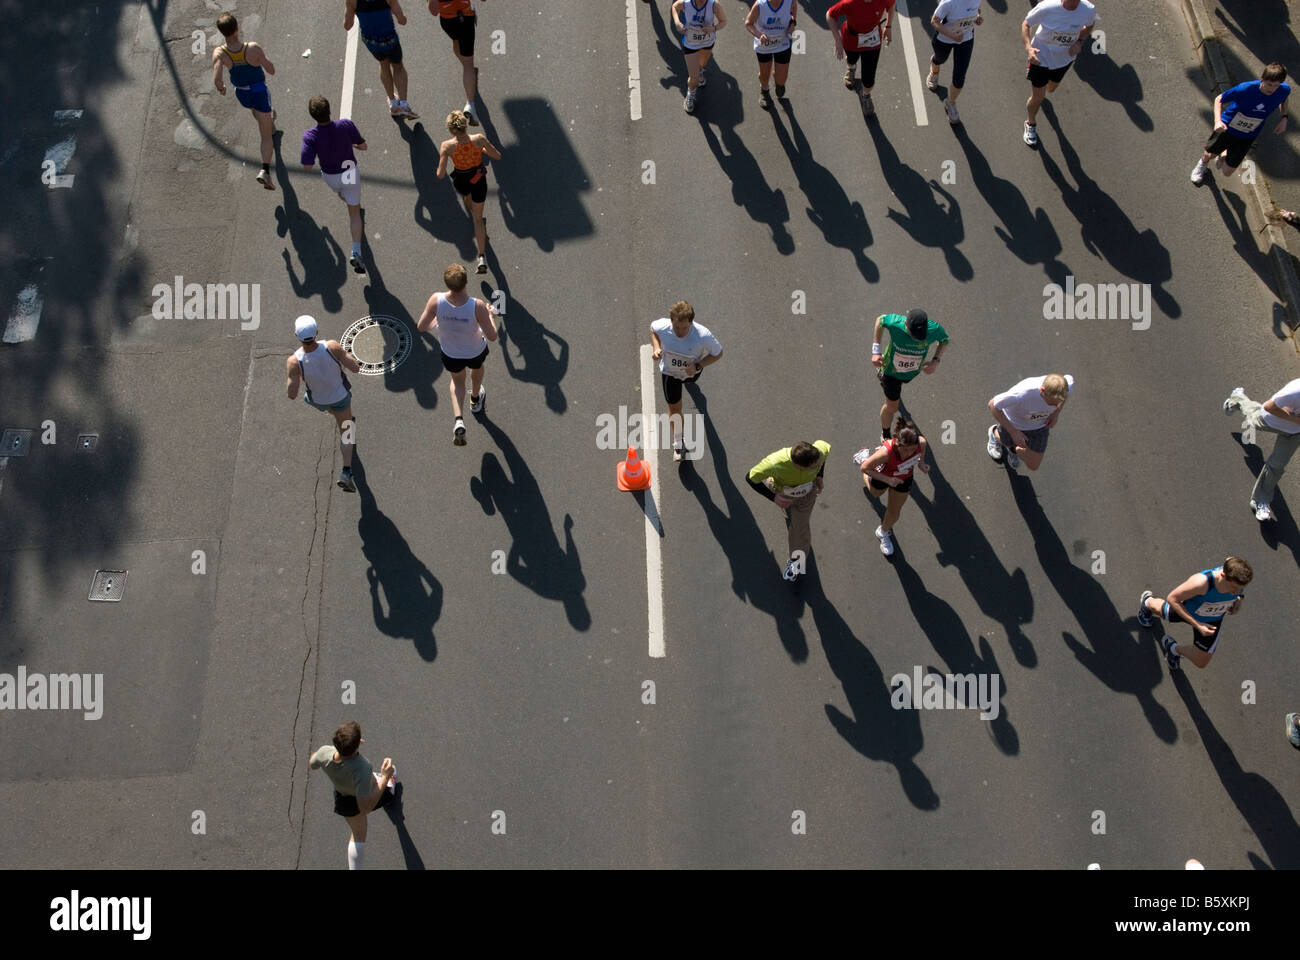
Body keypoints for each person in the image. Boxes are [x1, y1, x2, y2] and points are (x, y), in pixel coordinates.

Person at [416, 263, 499, 445]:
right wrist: (492, 316)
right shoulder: (477, 306)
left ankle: (459, 420)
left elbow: (421, 326)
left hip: (450, 353)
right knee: (477, 371)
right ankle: (475, 399)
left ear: (447, 284)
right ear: (466, 282)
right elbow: (492, 336)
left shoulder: (436, 300)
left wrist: (437, 321)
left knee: (457, 381)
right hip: (475, 350)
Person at [286, 315, 363, 492]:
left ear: (296, 334)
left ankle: (336, 414)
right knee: (347, 430)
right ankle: (347, 471)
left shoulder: (293, 361)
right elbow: (355, 367)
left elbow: (291, 394)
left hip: (318, 400)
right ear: (317, 332)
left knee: (328, 408)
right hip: (340, 397)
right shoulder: (331, 347)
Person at [309, 721, 397, 870]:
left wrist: (323, 754)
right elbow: (365, 808)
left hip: (342, 796)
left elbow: (313, 764)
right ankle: (389, 787)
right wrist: (385, 777)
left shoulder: (324, 752)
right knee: (359, 836)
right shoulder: (362, 768)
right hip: (359, 799)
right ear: (357, 745)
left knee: (356, 834)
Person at [1138, 558, 1252, 671]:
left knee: (1201, 661)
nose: (1236, 591)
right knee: (1164, 612)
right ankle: (1147, 601)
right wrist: (1197, 624)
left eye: (1241, 589)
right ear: (1223, 574)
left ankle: (1172, 649)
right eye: (1234, 588)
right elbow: (1172, 599)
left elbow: (1230, 559)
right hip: (1188, 610)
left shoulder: (1235, 571)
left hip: (1213, 619)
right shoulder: (1201, 583)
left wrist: (1239, 599)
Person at [300, 96, 370, 275]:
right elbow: (363, 147)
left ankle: (348, 200)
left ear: (312, 116)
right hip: (349, 173)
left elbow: (307, 166)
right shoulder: (345, 125)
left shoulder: (310, 137)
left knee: (343, 194)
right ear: (329, 110)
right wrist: (352, 144)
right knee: (354, 213)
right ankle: (356, 250)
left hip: (331, 176)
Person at [1191, 62, 1290, 187]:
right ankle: (1202, 164)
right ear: (1262, 79)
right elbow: (1219, 99)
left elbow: (1284, 99)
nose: (1272, 89)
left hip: (1249, 134)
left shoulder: (1284, 89)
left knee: (1227, 172)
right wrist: (1218, 121)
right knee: (1210, 153)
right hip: (1228, 127)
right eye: (1269, 84)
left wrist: (1284, 117)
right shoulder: (1245, 88)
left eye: (1276, 85)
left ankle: (1224, 153)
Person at [747, 440, 831, 582]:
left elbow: (822, 460)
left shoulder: (819, 451)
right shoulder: (774, 463)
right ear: (797, 466)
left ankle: (796, 561)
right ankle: (787, 510)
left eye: (818, 463)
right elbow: (750, 477)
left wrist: (819, 476)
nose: (818, 465)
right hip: (782, 492)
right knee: (787, 511)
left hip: (806, 494)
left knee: (799, 529)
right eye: (814, 467)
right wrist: (774, 497)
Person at [649, 301, 724, 461]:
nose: (680, 332)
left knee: (690, 383)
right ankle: (679, 443)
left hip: (692, 372)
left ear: (691, 322)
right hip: (670, 373)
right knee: (675, 408)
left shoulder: (702, 335)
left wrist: (698, 365)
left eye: (684, 328)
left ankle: (692, 386)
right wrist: (656, 347)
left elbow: (718, 353)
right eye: (677, 327)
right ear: (671, 321)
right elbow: (652, 329)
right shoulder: (663, 326)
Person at [212, 13, 277, 189]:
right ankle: (265, 171)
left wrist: (221, 87)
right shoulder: (253, 48)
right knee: (266, 136)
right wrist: (263, 62)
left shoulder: (220, 53)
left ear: (222, 32)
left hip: (242, 94)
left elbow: (217, 79)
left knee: (258, 114)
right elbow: (271, 70)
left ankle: (269, 120)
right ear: (237, 28)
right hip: (259, 92)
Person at [1021, 0, 1096, 147]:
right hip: (1040, 58)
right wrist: (1029, 48)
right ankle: (1031, 123)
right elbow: (1026, 24)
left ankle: (1043, 90)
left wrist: (1079, 41)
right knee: (1038, 97)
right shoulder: (1047, 7)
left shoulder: (1088, 10)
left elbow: (1091, 25)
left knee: (1051, 88)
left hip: (1064, 59)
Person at [1223, 379, 1300, 522]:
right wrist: (1295, 420)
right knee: (1252, 417)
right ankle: (1237, 398)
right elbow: (1270, 407)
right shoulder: (1296, 390)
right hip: (1272, 420)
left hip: (1295, 433)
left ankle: (1260, 501)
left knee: (1277, 465)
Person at [437, 110, 502, 276]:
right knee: (478, 219)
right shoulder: (479, 139)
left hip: (461, 180)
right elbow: (497, 156)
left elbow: (440, 174)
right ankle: (481, 257)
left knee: (467, 198)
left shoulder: (447, 146)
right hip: (478, 178)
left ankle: (472, 212)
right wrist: (482, 151)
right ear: (465, 125)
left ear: (451, 129)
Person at [872, 308, 949, 443]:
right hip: (891, 373)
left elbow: (944, 340)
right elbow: (880, 320)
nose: (916, 339)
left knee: (900, 386)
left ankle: (884, 377)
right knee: (892, 407)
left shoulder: (934, 329)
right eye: (913, 335)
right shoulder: (896, 323)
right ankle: (885, 434)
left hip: (912, 372)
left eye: (920, 336)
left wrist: (936, 361)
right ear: (906, 324)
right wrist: (876, 351)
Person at [855, 417, 929, 557]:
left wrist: (921, 463)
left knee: (894, 511)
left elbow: (920, 455)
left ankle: (883, 532)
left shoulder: (921, 443)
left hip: (904, 479)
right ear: (897, 442)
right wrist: (888, 480)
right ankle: (863, 457)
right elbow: (865, 469)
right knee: (875, 494)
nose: (909, 453)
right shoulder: (886, 452)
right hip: (883, 474)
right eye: (905, 450)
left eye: (912, 449)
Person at [346, 0, 419, 119]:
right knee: (398, 66)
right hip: (390, 39)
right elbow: (402, 20)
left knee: (383, 64)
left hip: (371, 42)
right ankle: (404, 106)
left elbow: (347, 25)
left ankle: (393, 104)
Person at [986, 373, 1072, 471]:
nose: (1054, 406)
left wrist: (1056, 413)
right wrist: (1013, 432)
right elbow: (993, 405)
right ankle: (994, 433)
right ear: (1042, 391)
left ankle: (1014, 449)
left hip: (1040, 427)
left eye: (1058, 403)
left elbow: (1068, 385)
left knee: (1033, 466)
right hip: (1014, 425)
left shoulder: (1064, 387)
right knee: (1007, 442)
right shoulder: (1022, 393)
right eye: (1052, 403)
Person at [827, 0, 896, 117]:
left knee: (869, 76)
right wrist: (837, 40)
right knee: (852, 58)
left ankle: (866, 95)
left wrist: (888, 26)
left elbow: (891, 5)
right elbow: (830, 15)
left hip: (873, 41)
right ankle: (851, 67)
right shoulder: (849, 3)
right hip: (851, 39)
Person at [927, 0, 982, 125]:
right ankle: (934, 71)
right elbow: (934, 21)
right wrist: (952, 35)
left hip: (965, 40)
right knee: (940, 59)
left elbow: (976, 10)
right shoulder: (949, 3)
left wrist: (977, 18)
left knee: (959, 77)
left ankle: (950, 102)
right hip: (944, 39)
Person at [433, 0, 484, 125]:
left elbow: (433, 10)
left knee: (456, 42)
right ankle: (470, 105)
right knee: (468, 65)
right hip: (465, 17)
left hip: (447, 20)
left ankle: (469, 74)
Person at [673, 0, 727, 115]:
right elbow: (674, 7)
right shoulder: (685, 3)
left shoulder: (714, 4)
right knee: (694, 79)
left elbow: (723, 21)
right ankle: (690, 96)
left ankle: (700, 71)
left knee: (702, 64)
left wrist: (713, 28)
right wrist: (677, 22)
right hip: (690, 43)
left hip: (707, 42)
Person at [745, 0, 796, 110]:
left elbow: (793, 10)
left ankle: (778, 81)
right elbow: (748, 23)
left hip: (783, 43)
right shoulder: (760, 5)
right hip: (764, 46)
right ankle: (764, 91)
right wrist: (759, 35)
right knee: (764, 74)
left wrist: (793, 23)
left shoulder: (790, 1)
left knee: (781, 79)